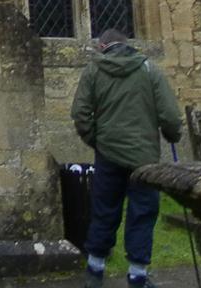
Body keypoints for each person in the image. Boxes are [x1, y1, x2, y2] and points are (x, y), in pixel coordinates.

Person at [71, 28, 182, 287]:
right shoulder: (149, 70)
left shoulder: (93, 72)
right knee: (142, 213)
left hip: (108, 155)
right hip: (144, 158)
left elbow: (80, 113)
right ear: (127, 45)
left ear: (102, 47)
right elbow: (170, 116)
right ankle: (137, 276)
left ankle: (95, 271)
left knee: (104, 210)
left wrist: (96, 140)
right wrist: (172, 134)